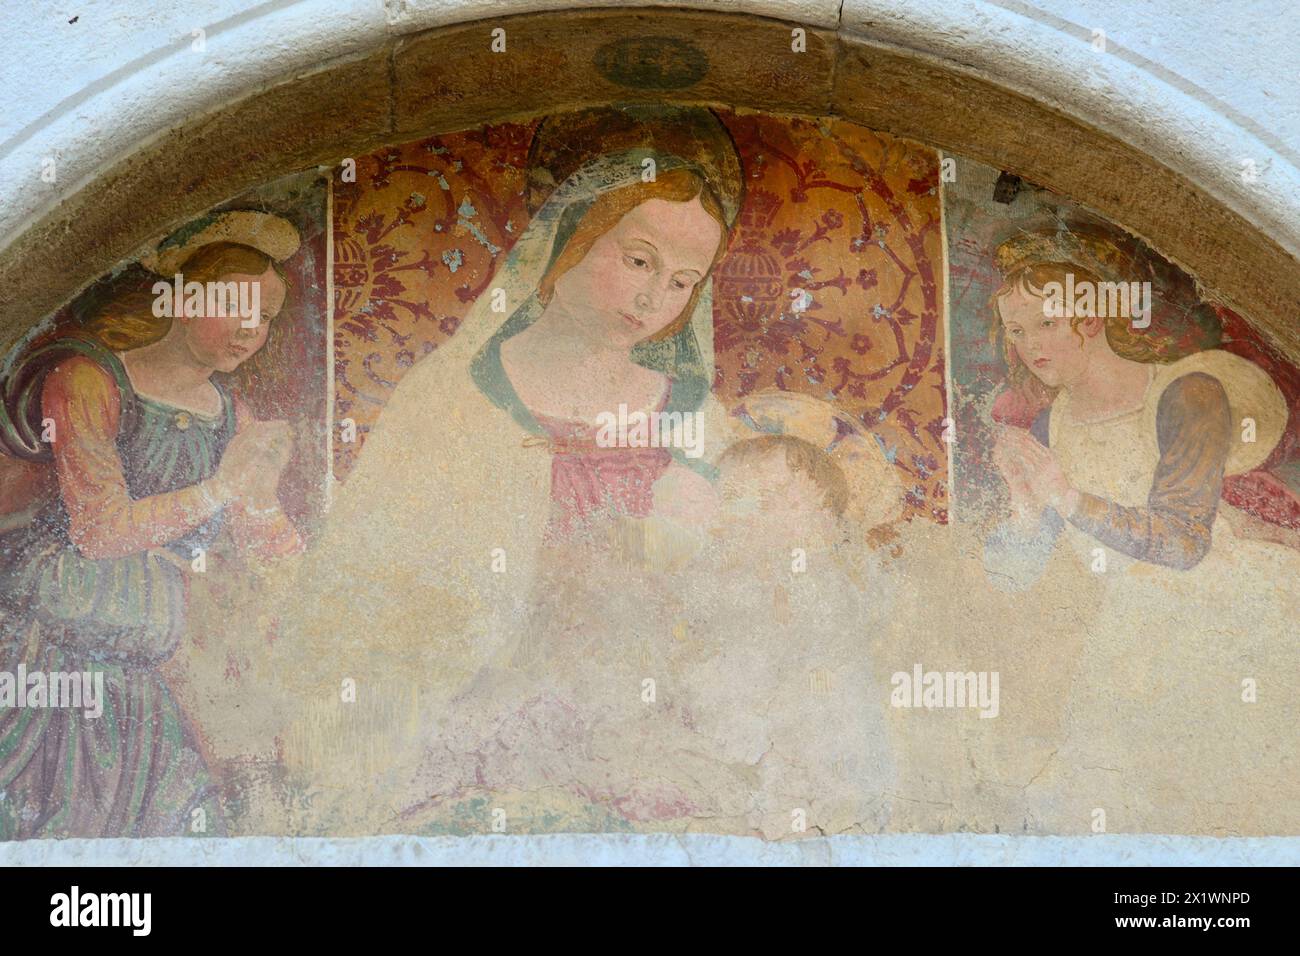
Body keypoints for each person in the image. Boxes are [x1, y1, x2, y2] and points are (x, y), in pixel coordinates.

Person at [983, 225, 1299, 833]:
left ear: (1093, 317)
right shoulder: (1051, 426)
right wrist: (1027, 514)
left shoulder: (1188, 393)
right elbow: (1014, 576)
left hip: (1225, 608)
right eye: (1017, 331)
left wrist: (1069, 498)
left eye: (1047, 324)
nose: (1031, 346)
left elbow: (1182, 544)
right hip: (1131, 616)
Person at [0, 212, 303, 839]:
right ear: (184, 298)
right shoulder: (88, 379)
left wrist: (271, 510)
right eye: (235, 305)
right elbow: (100, 532)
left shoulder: (232, 413)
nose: (252, 329)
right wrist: (220, 486)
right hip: (66, 636)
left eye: (268, 316)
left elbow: (260, 537)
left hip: (161, 642)